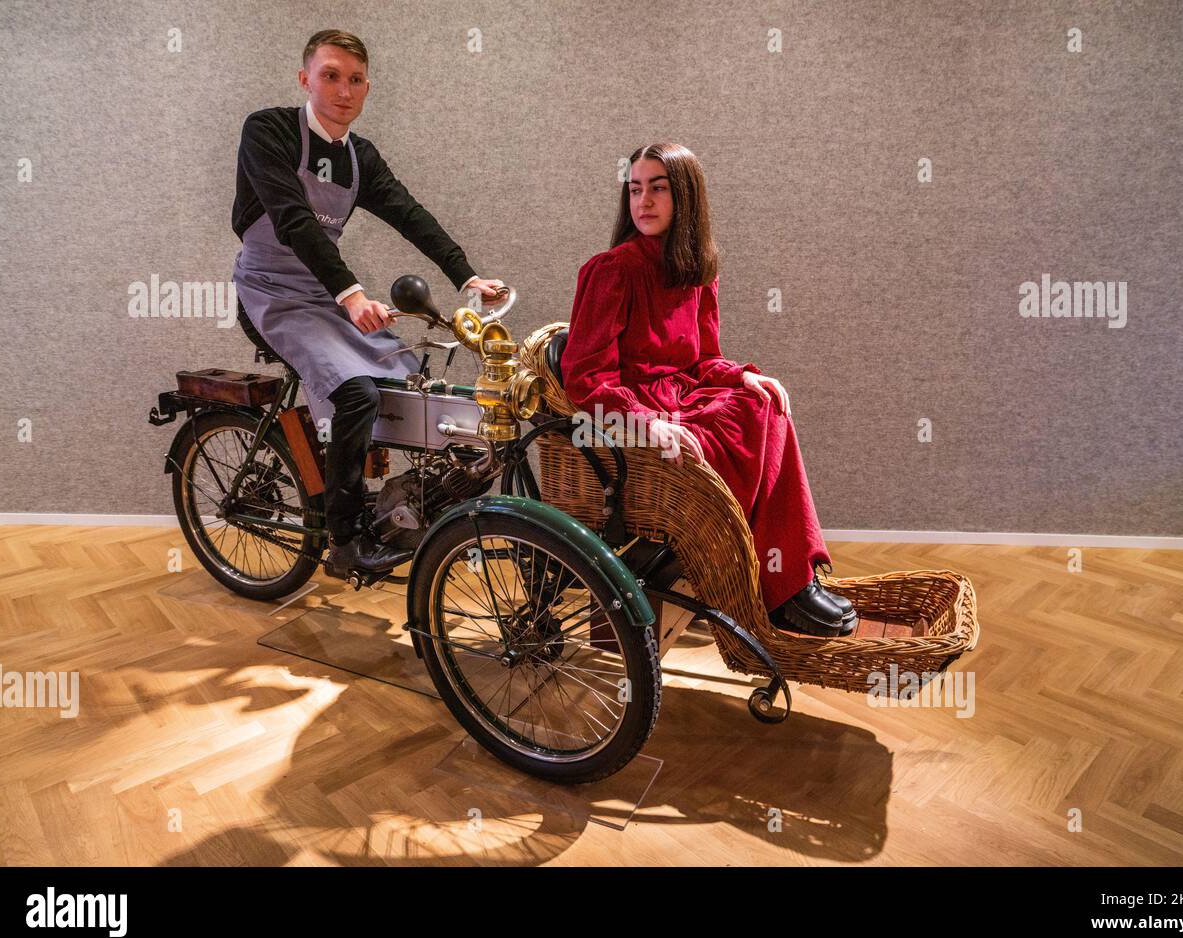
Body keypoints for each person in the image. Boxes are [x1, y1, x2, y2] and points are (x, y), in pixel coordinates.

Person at [231, 29, 506, 577]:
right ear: (305, 78)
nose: (343, 89)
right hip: (271, 292)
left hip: (322, 290)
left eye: (355, 79)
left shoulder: (360, 158)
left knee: (405, 382)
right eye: (330, 75)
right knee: (356, 394)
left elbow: (410, 214)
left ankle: (399, 504)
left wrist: (467, 275)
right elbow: (293, 221)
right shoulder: (268, 131)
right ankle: (344, 540)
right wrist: (352, 294)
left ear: (367, 87)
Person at [559, 143, 857, 638]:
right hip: (632, 408)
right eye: (635, 190)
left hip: (680, 395)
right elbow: (585, 378)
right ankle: (772, 581)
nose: (643, 202)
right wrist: (647, 422)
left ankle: (788, 578)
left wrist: (742, 376)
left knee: (767, 407)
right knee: (742, 430)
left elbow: (701, 361)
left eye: (658, 189)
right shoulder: (614, 269)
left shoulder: (695, 269)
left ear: (686, 198)